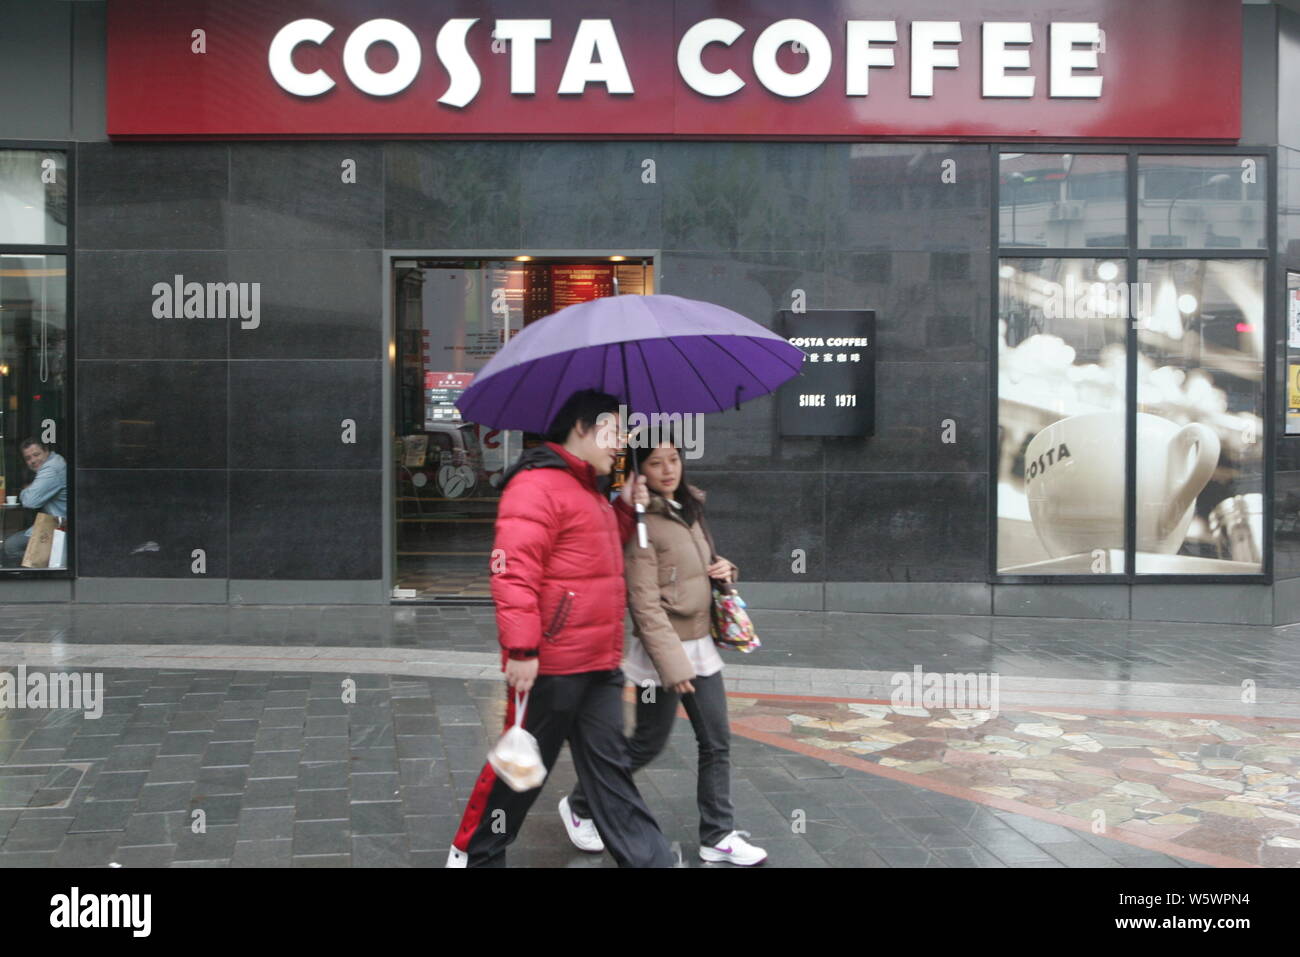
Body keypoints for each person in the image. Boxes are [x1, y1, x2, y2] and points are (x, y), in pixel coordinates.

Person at [446, 390, 675, 868]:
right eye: (614, 430)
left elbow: (589, 555)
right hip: (552, 664)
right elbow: (513, 572)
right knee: (520, 770)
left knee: (610, 771)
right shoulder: (536, 485)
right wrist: (522, 649)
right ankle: (474, 855)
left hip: (599, 661)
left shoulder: (589, 487)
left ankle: (650, 859)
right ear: (581, 427)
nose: (621, 442)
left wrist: (622, 510)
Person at [561, 439, 767, 866]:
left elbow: (699, 569)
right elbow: (644, 605)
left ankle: (718, 835)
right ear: (642, 472)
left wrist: (726, 569)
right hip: (660, 659)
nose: (668, 470)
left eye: (674, 459)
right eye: (656, 463)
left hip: (702, 647)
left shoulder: (689, 508)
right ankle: (581, 803)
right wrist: (672, 667)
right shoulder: (641, 525)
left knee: (716, 741)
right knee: (647, 744)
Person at [2, 438, 68, 567]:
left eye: (36, 455)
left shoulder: (51, 469)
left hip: (58, 528)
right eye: (28, 458)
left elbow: (30, 501)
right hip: (54, 523)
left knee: (11, 546)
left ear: (46, 451)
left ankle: (40, 566)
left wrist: (25, 491)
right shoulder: (55, 462)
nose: (33, 461)